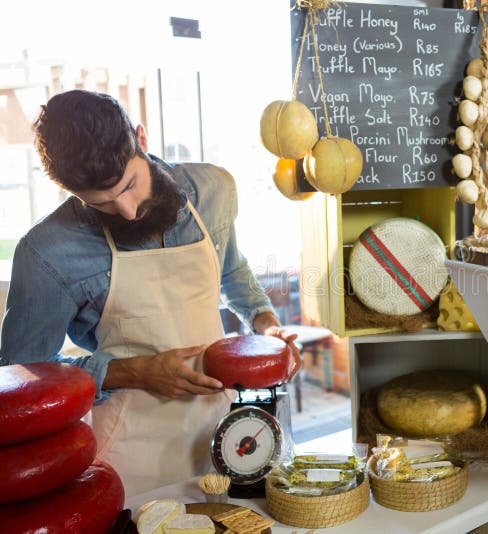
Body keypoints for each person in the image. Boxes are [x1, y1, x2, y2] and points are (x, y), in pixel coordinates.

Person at [0, 89, 302, 496]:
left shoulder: (214, 190)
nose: (126, 210)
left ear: (141, 140)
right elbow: (22, 372)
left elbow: (231, 268)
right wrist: (134, 372)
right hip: (130, 453)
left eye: (129, 185)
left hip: (225, 432)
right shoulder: (47, 252)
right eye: (101, 203)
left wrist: (264, 322)